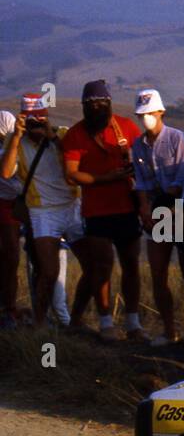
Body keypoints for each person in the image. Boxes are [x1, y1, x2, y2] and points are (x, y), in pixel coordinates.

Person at [0, 93, 112, 332]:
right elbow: (6, 173)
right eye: (30, 119)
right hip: (43, 211)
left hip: (73, 206)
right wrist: (18, 135)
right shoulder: (15, 141)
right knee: (49, 271)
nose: (35, 124)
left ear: (46, 116)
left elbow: (79, 160)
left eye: (39, 118)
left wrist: (50, 136)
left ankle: (76, 319)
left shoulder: (62, 135)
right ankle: (40, 323)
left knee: (93, 266)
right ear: (21, 119)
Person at [60, 80, 143, 340]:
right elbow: (71, 174)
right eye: (90, 103)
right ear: (84, 106)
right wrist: (106, 177)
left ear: (108, 103)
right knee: (102, 266)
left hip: (127, 207)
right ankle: (106, 322)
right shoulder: (74, 135)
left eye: (100, 102)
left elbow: (143, 163)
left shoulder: (127, 127)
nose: (96, 106)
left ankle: (133, 323)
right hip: (95, 210)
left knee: (131, 264)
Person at [131, 89, 184, 347]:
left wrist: (163, 206)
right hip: (155, 212)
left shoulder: (177, 138)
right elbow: (139, 181)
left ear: (161, 112)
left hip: (180, 212)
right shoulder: (138, 145)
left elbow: (182, 179)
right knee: (158, 273)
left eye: (150, 113)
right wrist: (143, 207)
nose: (146, 118)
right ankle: (169, 330)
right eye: (142, 114)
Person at [0, 108, 22, 328]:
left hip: (16, 204)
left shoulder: (16, 145)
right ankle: (8, 308)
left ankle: (9, 308)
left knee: (11, 257)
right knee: (10, 257)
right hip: (8, 204)